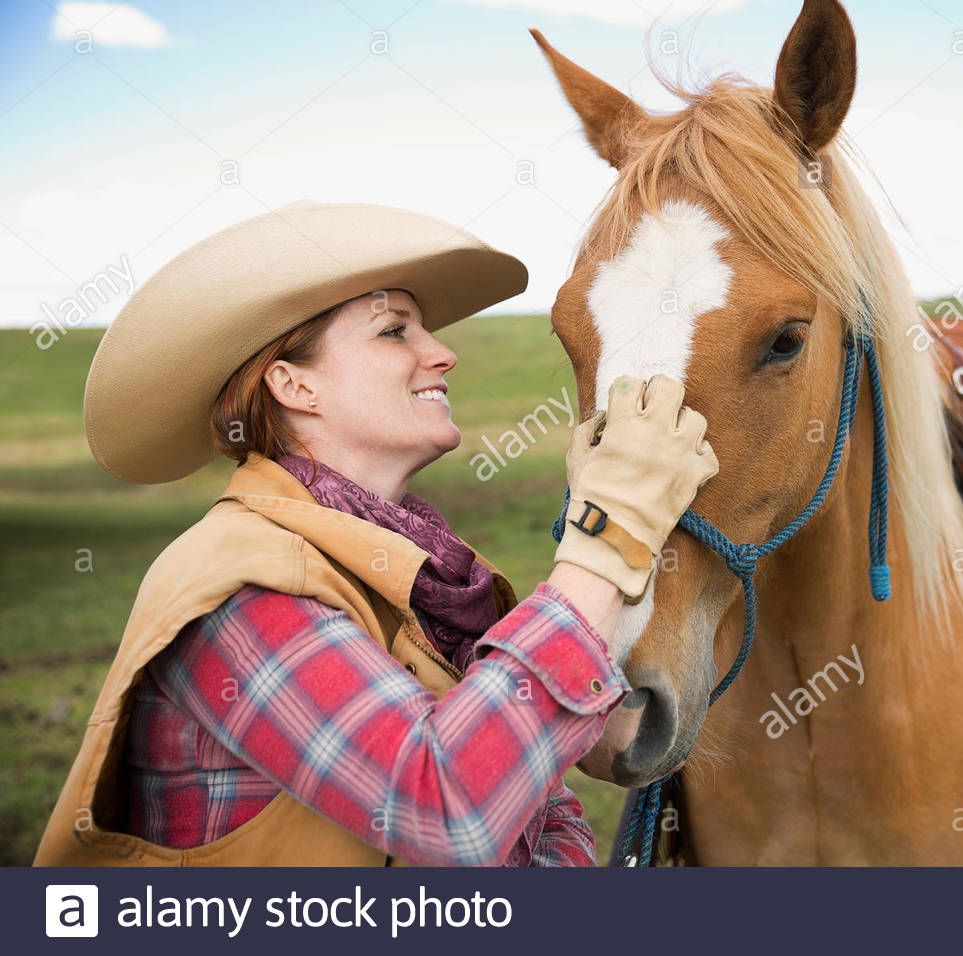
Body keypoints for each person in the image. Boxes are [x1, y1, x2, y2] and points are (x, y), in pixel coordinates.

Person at [32, 200, 717, 866]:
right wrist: (606, 534)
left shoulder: (426, 578)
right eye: (396, 331)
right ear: (294, 386)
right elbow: (448, 806)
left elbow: (538, 798)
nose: (443, 354)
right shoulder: (240, 581)